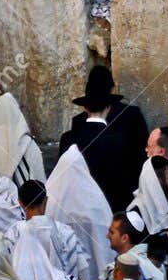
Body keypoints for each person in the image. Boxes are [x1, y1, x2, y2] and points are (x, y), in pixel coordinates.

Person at [59, 65, 147, 211]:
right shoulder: (132, 114)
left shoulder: (78, 122)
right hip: (125, 196)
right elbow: (142, 156)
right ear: (112, 89)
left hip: (86, 201)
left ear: (85, 106)